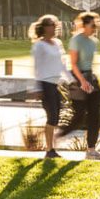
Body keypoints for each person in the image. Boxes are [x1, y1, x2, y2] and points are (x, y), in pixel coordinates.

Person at [63, 10, 100, 155]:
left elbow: (90, 63)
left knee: (95, 115)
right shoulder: (76, 40)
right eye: (93, 25)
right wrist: (82, 81)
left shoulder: (94, 42)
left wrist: (91, 80)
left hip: (90, 78)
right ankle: (57, 137)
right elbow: (74, 64)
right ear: (85, 25)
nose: (95, 28)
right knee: (79, 116)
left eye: (96, 26)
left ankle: (91, 150)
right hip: (77, 79)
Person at [29, 14, 68, 157]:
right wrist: (37, 88)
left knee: (56, 117)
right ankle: (49, 150)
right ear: (44, 28)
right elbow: (36, 67)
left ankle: (50, 147)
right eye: (51, 25)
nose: (54, 27)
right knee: (52, 117)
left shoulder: (58, 43)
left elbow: (62, 64)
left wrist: (70, 81)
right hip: (45, 85)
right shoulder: (39, 45)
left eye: (55, 25)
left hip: (55, 84)